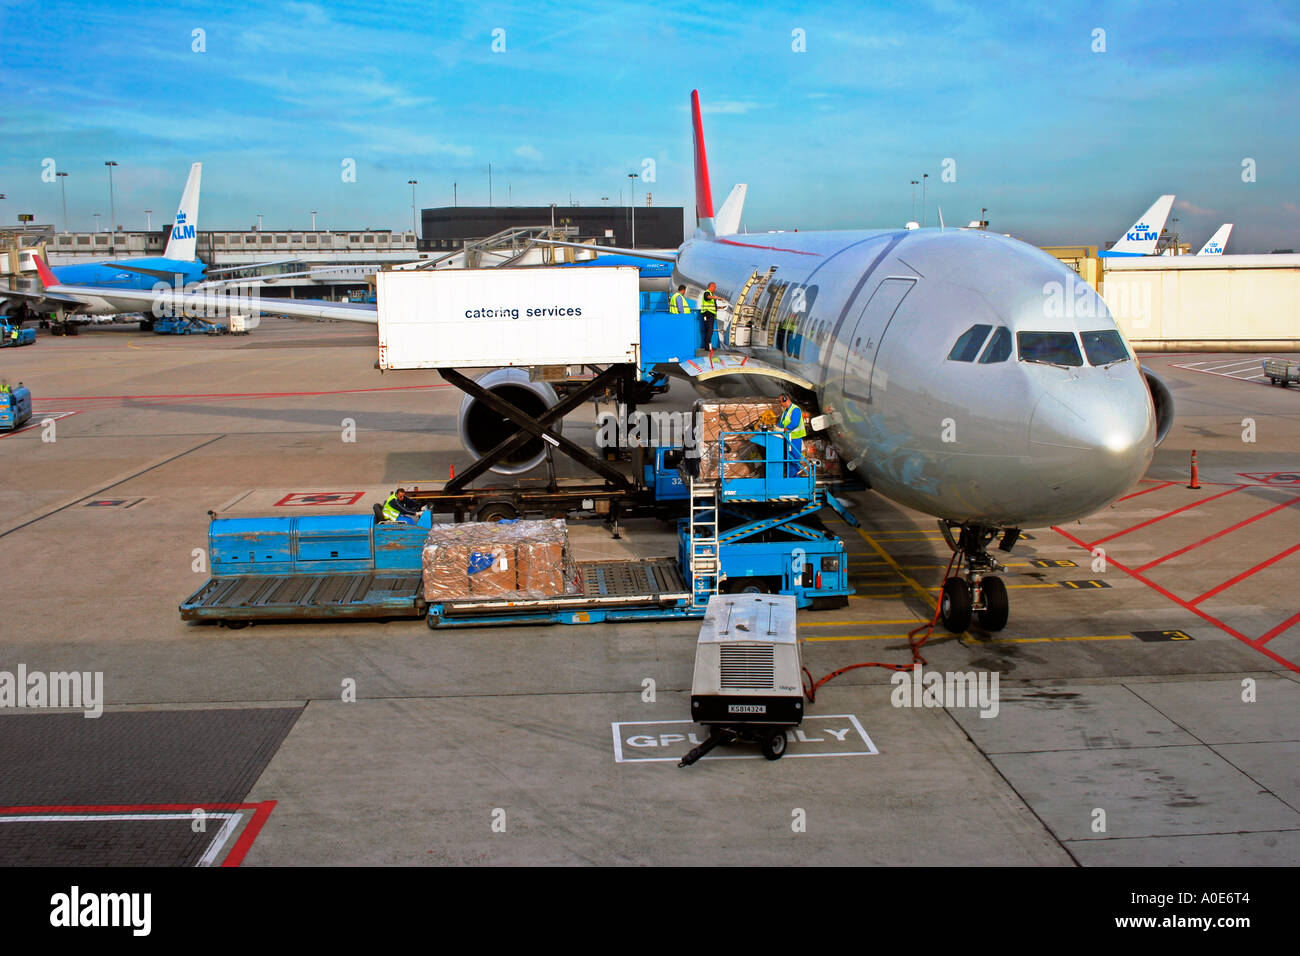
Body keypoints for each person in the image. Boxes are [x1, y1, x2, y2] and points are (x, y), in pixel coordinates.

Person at [777, 393, 806, 477]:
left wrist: (786, 428)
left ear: (785, 399)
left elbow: (795, 423)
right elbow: (782, 423)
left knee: (794, 459)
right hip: (788, 438)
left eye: (780, 401)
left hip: (795, 438)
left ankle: (795, 479)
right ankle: (791, 478)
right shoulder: (786, 411)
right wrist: (776, 427)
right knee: (789, 459)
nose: (780, 403)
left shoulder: (795, 409)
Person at [698, 281, 720, 352]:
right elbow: (707, 297)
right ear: (711, 286)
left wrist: (720, 308)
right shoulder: (707, 293)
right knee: (709, 330)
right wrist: (715, 297)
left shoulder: (710, 294)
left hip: (710, 314)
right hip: (708, 314)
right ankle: (707, 347)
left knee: (709, 330)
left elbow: (712, 305)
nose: (715, 289)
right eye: (714, 287)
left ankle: (709, 347)